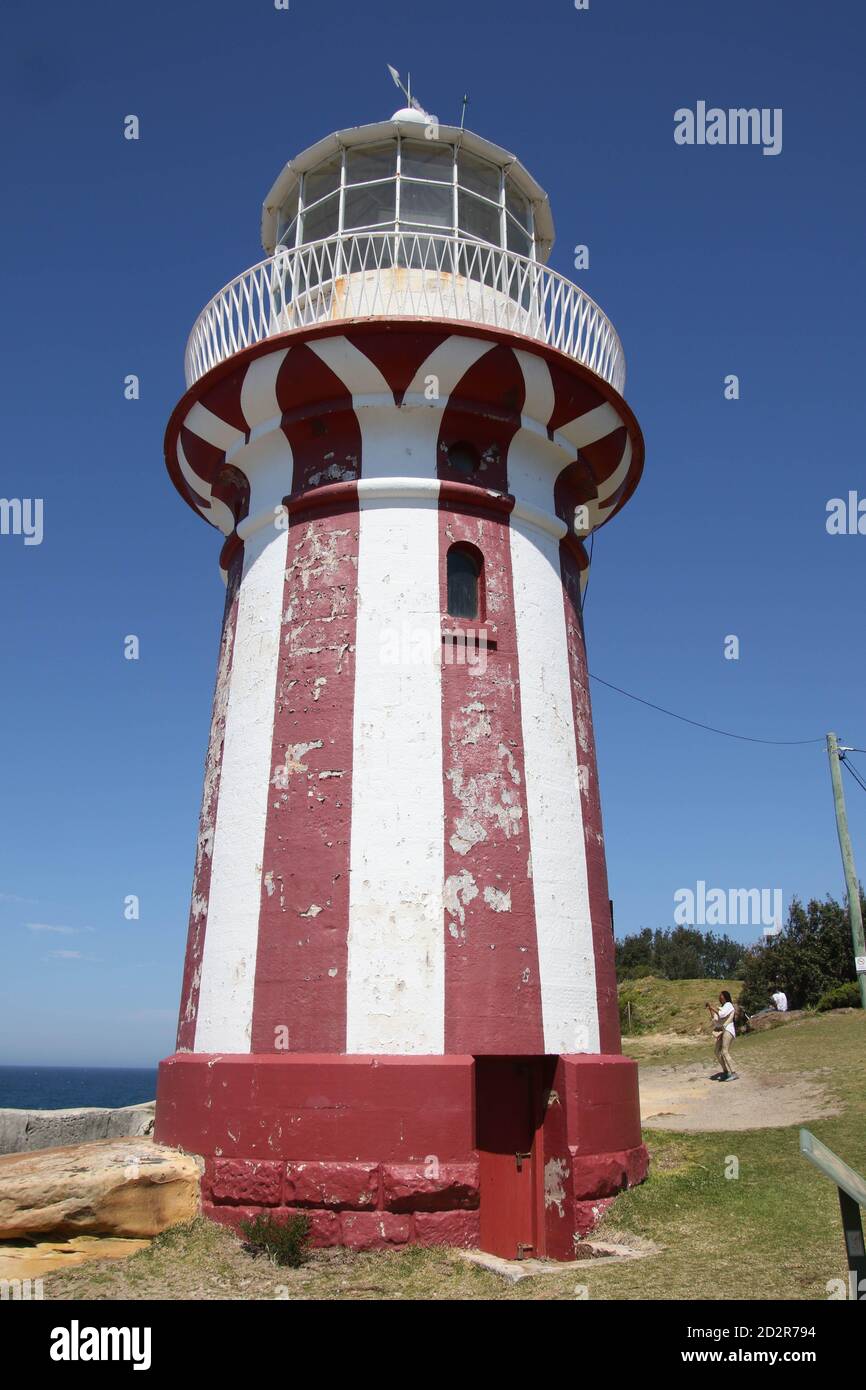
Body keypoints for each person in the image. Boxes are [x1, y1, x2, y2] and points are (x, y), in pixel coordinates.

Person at [705, 990, 738, 1081]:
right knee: (716, 1051)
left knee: (724, 1051)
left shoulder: (728, 1005)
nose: (720, 997)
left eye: (721, 995)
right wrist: (710, 1009)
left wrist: (712, 1007)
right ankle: (725, 1071)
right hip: (723, 1031)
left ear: (725, 997)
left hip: (728, 1030)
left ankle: (733, 1072)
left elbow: (722, 1014)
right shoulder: (722, 1007)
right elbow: (716, 1021)